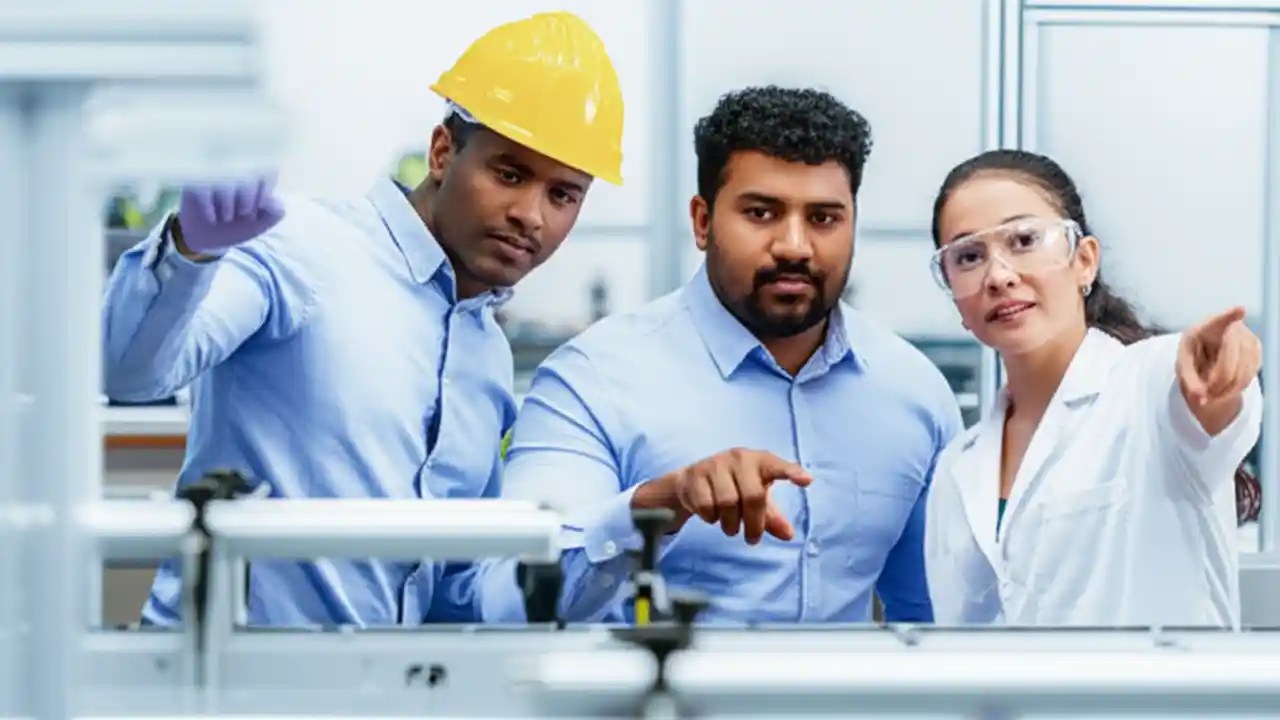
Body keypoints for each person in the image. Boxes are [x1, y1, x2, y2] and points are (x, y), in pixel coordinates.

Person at [101, 10, 625, 628]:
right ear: (442, 151)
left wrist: (611, 543)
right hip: (221, 683)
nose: (530, 215)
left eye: (562, 195)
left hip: (380, 687)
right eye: (508, 174)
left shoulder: (487, 356)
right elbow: (132, 373)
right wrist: (192, 250)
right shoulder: (301, 246)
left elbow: (451, 590)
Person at [479, 86, 963, 624]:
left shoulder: (914, 392)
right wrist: (656, 506)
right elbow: (510, 604)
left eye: (824, 218)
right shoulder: (593, 379)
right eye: (761, 213)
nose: (795, 247)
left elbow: (935, 620)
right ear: (703, 221)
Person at [922, 149, 1264, 628]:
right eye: (969, 256)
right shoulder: (958, 466)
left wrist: (1222, 363)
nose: (998, 276)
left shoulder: (1151, 384)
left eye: (1023, 239)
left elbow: (1206, 398)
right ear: (955, 294)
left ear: (1084, 262)